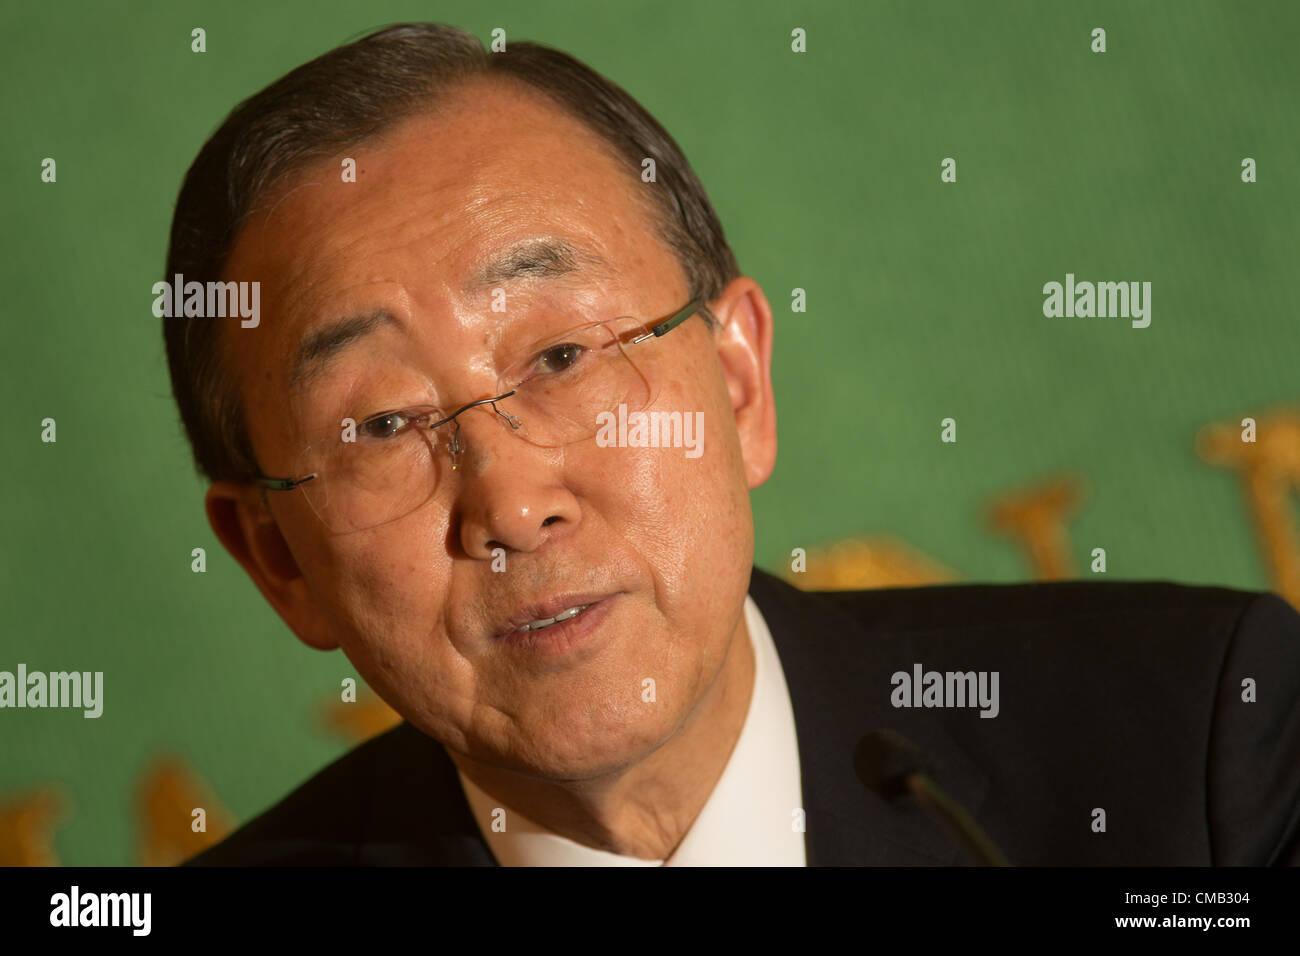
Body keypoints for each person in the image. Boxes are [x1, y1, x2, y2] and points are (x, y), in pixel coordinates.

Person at [168, 23, 1300, 866]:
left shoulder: (1198, 745)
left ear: (739, 379)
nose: (510, 501)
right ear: (275, 558)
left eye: (561, 357)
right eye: (381, 425)